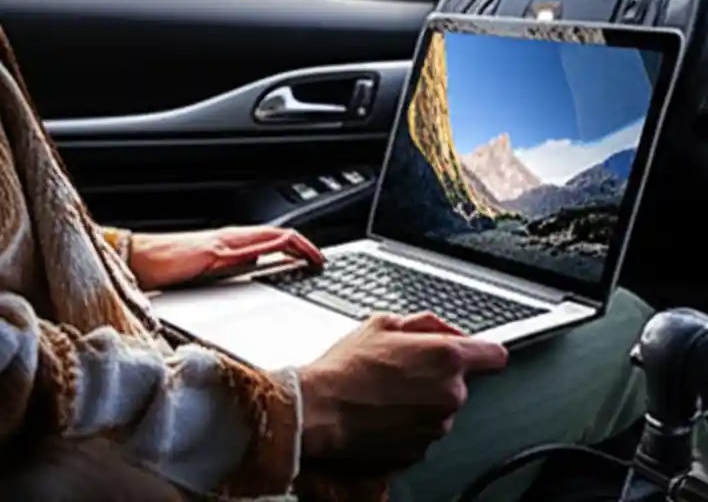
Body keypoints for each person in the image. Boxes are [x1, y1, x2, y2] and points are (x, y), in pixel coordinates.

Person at [0, 25, 658, 502]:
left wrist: (121, 255)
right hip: (148, 462)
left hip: (116, 371)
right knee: (631, 326)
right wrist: (296, 409)